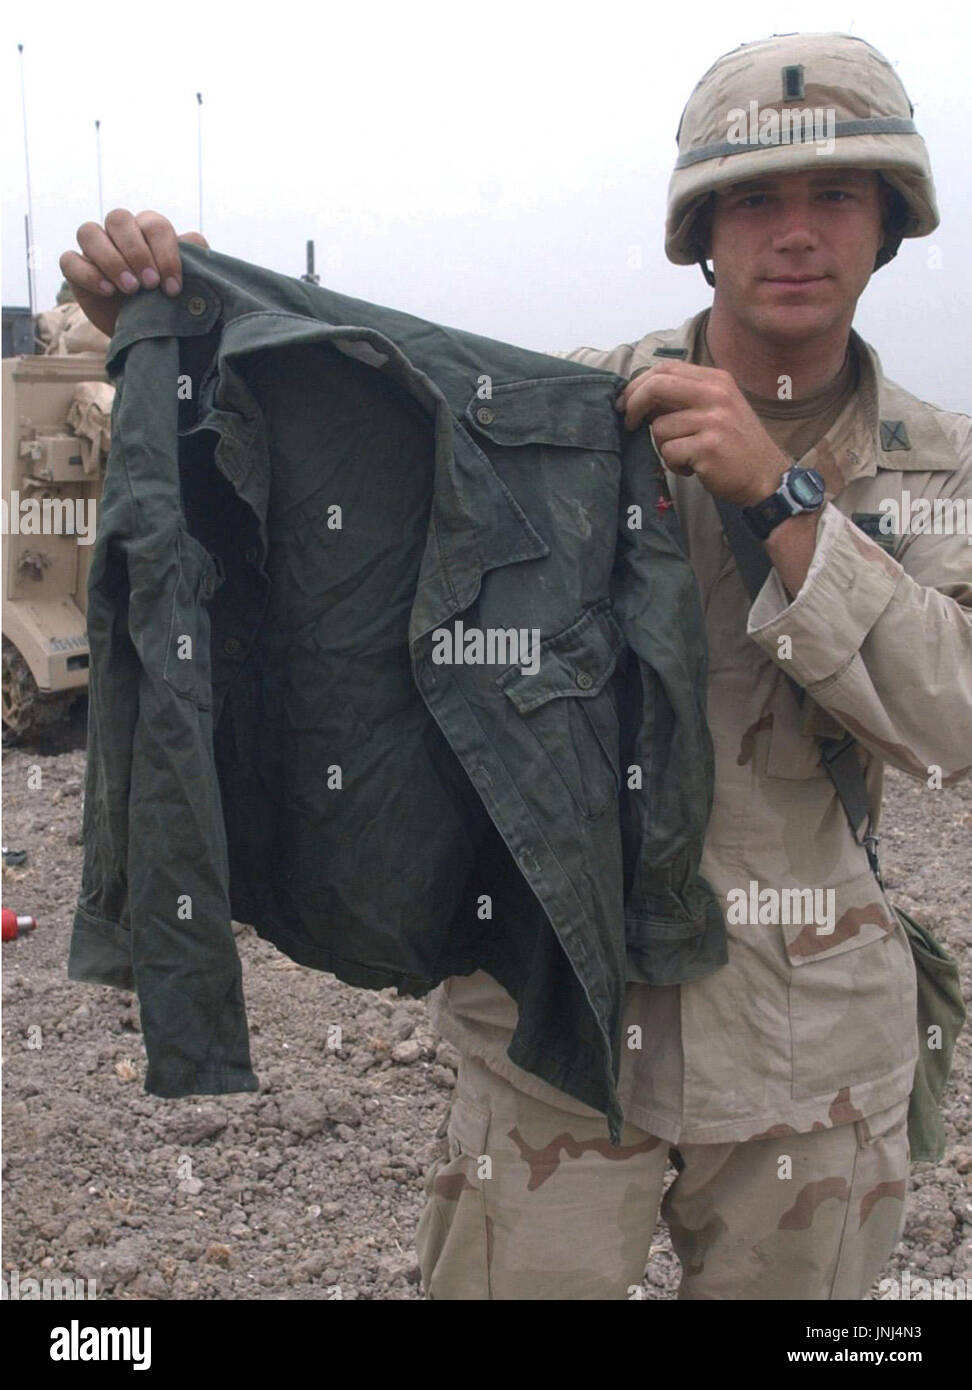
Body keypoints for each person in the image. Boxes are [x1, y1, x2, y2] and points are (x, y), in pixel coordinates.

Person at [61, 30, 971, 1301]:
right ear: (703, 234)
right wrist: (191, 324)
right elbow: (366, 443)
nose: (797, 231)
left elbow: (951, 730)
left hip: (807, 1056)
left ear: (891, 224)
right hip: (553, 1018)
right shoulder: (571, 414)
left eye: (835, 195)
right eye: (754, 199)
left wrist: (784, 499)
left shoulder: (941, 469)